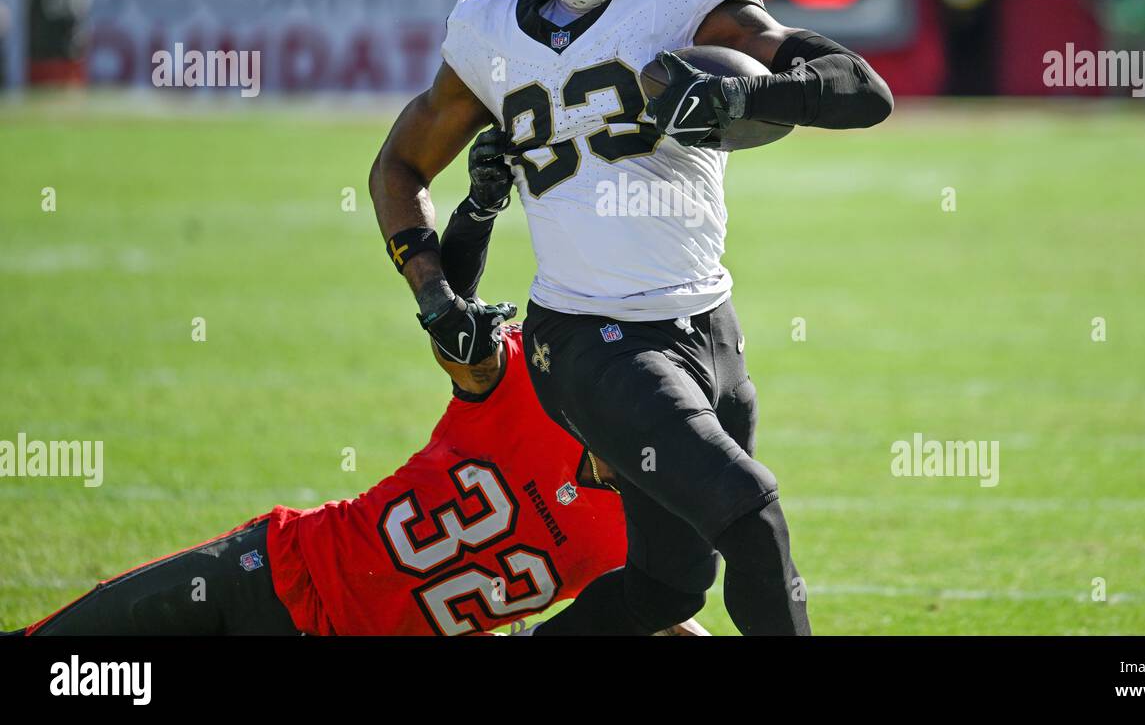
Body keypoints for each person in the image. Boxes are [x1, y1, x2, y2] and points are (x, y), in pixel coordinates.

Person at [370, 0, 892, 636]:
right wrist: (433, 294)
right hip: (588, 336)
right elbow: (399, 168)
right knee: (750, 514)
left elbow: (859, 89)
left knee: (666, 590)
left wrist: (743, 98)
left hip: (709, 325)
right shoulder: (489, 31)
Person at [8, 133, 668, 636]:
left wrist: (479, 213)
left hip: (284, 585)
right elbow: (461, 337)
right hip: (278, 574)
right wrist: (478, 210)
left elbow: (660, 606)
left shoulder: (630, 525)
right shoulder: (592, 468)